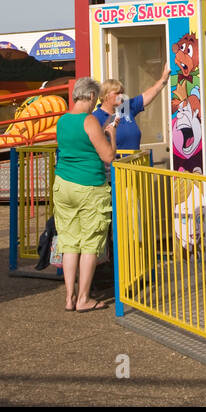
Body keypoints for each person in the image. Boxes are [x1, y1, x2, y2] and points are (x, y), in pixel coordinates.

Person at [53, 76, 117, 312]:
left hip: (63, 185)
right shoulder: (89, 120)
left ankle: (69, 298)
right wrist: (111, 135)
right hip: (89, 186)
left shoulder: (62, 121)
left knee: (69, 242)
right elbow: (108, 156)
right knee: (90, 244)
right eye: (96, 98)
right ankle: (83, 299)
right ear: (90, 96)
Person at [93, 62, 171, 153]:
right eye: (117, 93)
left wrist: (164, 79)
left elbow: (146, 96)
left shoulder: (125, 108)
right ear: (105, 96)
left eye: (122, 92)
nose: (121, 96)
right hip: (115, 166)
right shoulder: (95, 118)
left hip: (135, 165)